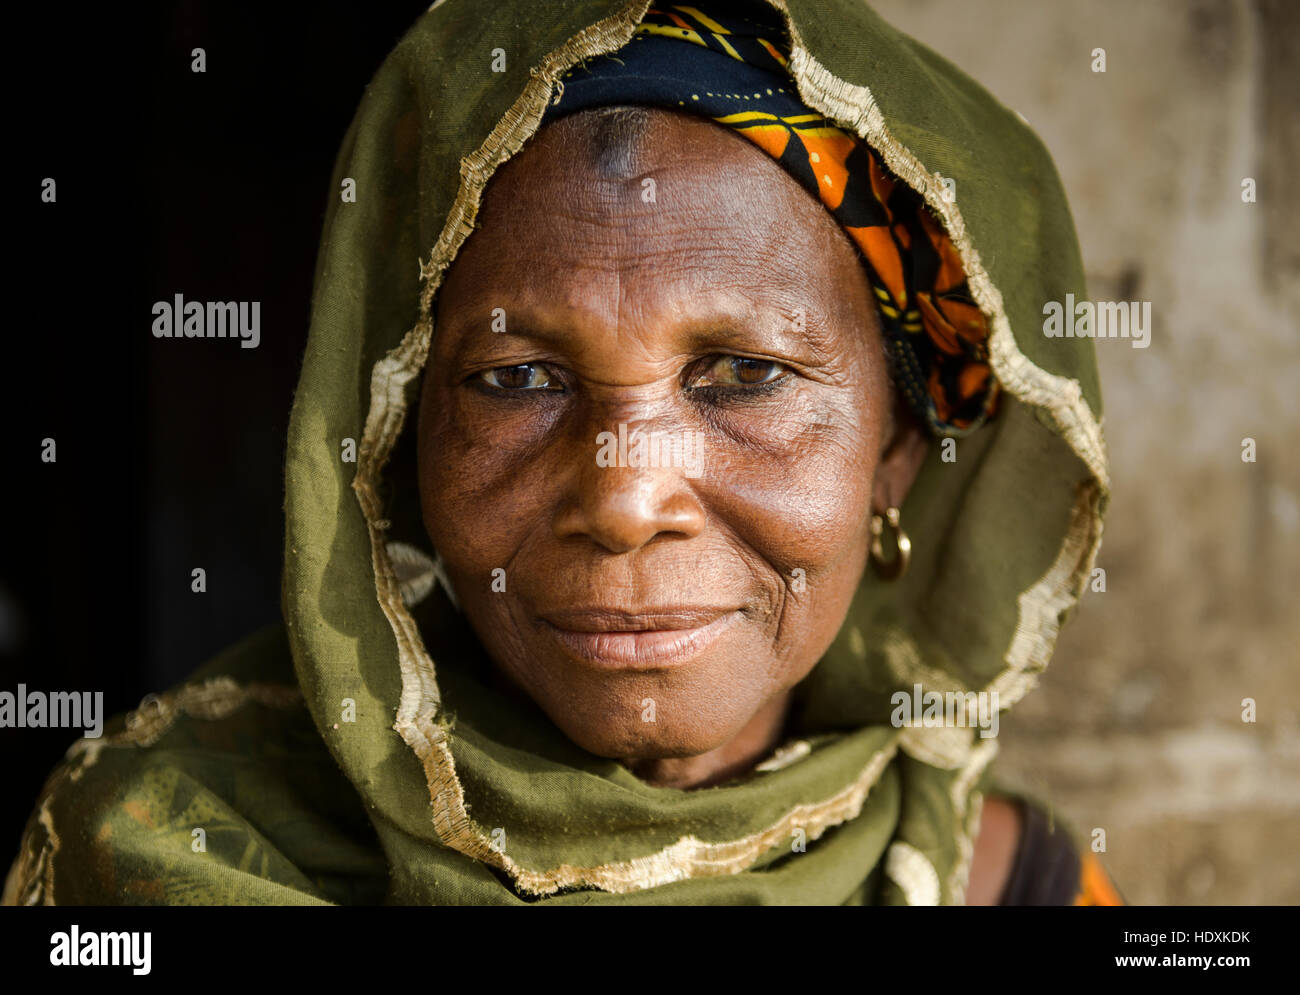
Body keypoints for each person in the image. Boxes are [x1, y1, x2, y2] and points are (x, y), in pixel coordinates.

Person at [5, 0, 1121, 905]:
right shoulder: (163, 852)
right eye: (517, 378)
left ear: (896, 452)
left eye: (743, 373)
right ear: (399, 432)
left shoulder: (1012, 882)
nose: (627, 497)